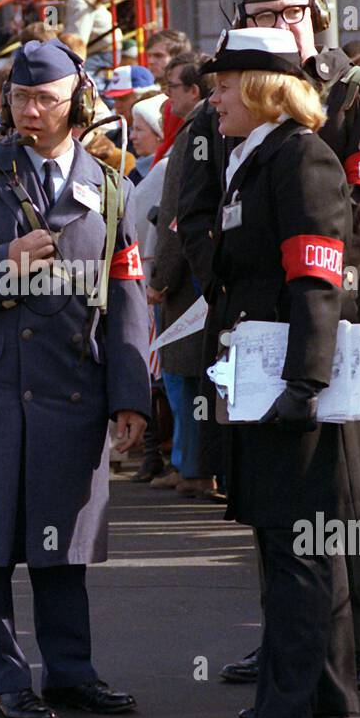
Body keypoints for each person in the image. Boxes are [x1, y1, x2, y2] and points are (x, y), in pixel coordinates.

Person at [0, 37, 151, 718]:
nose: (30, 110)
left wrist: (131, 393)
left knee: (62, 539)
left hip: (72, 382)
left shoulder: (109, 185)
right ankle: (4, 679)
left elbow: (128, 292)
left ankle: (71, 673)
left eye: (45, 99)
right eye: (19, 97)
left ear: (79, 104)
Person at [208, 0, 360, 692]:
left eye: (292, 14)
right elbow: (199, 213)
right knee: (281, 496)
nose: (281, 25)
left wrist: (309, 263)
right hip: (271, 318)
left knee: (358, 489)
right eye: (264, 17)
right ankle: (293, 639)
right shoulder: (239, 100)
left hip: (349, 311)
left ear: (315, 15)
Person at [201, 28, 360, 718]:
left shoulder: (299, 155)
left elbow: (315, 273)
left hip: (286, 382)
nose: (212, 98)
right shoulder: (255, 157)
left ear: (261, 87)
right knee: (285, 545)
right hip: (258, 375)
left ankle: (287, 713)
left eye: (222, 84)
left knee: (296, 550)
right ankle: (319, 691)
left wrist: (306, 381)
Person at [148, 54, 219, 498]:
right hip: (205, 270)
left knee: (189, 373)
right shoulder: (208, 127)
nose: (168, 93)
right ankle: (198, 465)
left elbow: (177, 214)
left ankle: (195, 468)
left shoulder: (197, 131)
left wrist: (162, 276)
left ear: (194, 90)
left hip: (191, 274)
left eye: (173, 85)